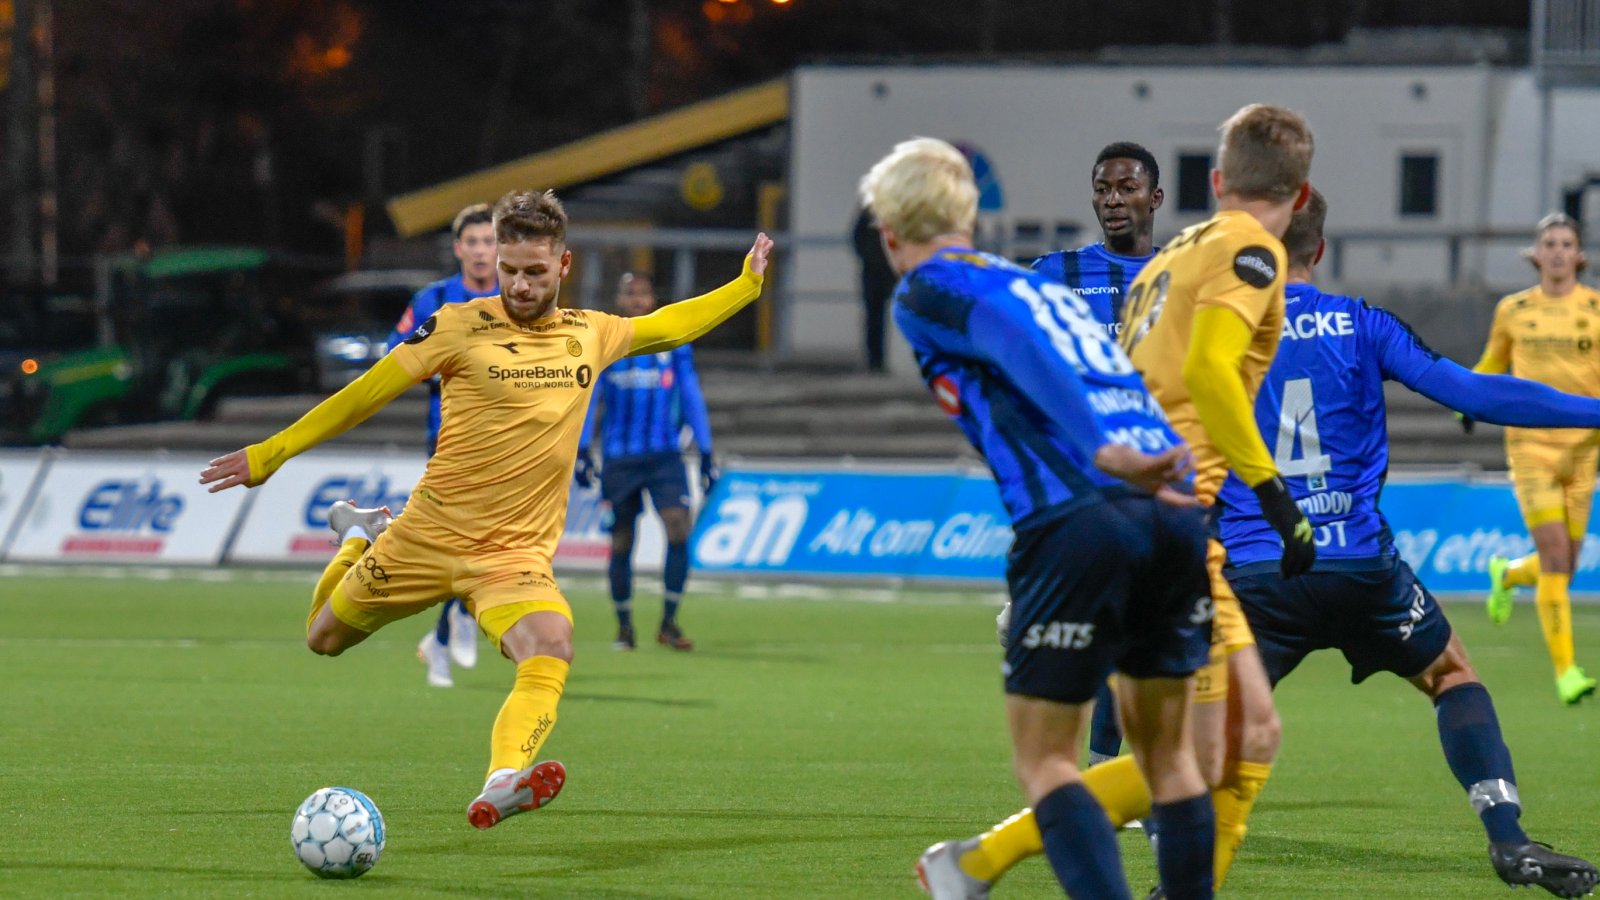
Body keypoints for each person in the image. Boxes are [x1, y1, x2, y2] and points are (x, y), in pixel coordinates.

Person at [200, 188, 773, 830]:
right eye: (509, 271)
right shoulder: (456, 325)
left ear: (563, 266)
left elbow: (669, 324)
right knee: (322, 639)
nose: (520, 286)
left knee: (552, 645)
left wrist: (745, 287)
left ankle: (503, 780)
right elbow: (366, 393)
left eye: (534, 271)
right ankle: (359, 539)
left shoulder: (592, 334)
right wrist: (272, 453)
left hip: (511, 557)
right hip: (425, 538)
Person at [920, 104, 1317, 899]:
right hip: (1169, 520)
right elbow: (1208, 373)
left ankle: (977, 864)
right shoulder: (1246, 249)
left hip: (1138, 513)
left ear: (1207, 183)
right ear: (1300, 196)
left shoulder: (1176, 259)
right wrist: (1275, 496)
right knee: (1185, 758)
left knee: (1246, 739)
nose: (1113, 198)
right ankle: (976, 863)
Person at [1210, 189, 1599, 896]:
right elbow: (1476, 395)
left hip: (1262, 572)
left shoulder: (1222, 334)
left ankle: (1159, 867)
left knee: (1207, 733)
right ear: (1320, 250)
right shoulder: (1362, 323)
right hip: (1362, 569)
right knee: (1451, 676)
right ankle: (1509, 840)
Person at [866, 136, 1219, 900]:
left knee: (1048, 763)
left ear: (890, 231)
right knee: (1170, 760)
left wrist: (1108, 451)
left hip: (1080, 516)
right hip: (1173, 510)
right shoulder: (1048, 287)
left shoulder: (929, 288)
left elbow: (1016, 346)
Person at [1032, 140, 1165, 773]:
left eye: (1127, 188)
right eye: (1104, 189)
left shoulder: (1182, 276)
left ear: (1155, 198)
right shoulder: (1055, 274)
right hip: (1084, 480)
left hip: (1163, 477)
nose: (1113, 200)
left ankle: (1106, 774)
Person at [1474, 213, 1600, 705]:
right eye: (1548, 242)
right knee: (1554, 558)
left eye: (1565, 243)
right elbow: (1491, 363)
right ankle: (1567, 671)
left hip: (1584, 451)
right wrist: (1465, 395)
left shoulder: (1595, 308)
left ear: (1578, 254)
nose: (1556, 251)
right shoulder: (1514, 309)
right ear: (1537, 252)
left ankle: (1506, 574)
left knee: (1563, 567)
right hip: (1531, 448)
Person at [388, 202, 501, 689]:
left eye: (489, 242)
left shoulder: (516, 299)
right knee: (469, 540)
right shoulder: (434, 298)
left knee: (488, 543)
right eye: (472, 242)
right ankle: (449, 628)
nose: (480, 252)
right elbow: (396, 356)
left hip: (510, 439)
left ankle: (444, 634)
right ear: (458, 248)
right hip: (450, 437)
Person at [575, 271, 717, 651]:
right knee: (621, 541)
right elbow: (591, 399)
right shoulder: (606, 345)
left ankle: (669, 623)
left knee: (678, 528)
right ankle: (624, 628)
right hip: (620, 459)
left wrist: (705, 451)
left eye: (643, 293)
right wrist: (582, 447)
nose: (637, 300)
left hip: (664, 456)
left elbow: (690, 396)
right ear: (620, 301)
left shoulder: (673, 344)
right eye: (630, 294)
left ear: (653, 298)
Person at [853, 204, 898, 372]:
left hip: (883, 271)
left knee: (879, 317)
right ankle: (875, 361)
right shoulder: (870, 214)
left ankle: (879, 361)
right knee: (874, 318)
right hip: (875, 272)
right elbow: (857, 239)